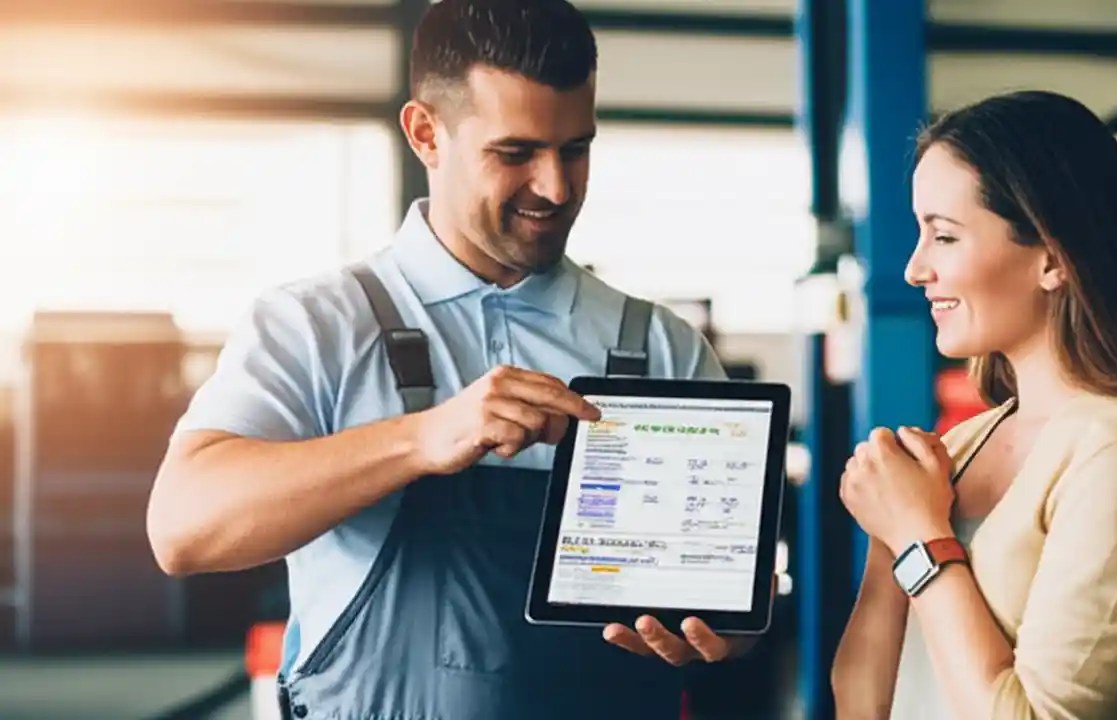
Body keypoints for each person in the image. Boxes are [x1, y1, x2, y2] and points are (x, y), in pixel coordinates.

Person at [145, 1, 752, 718]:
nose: (556, 188)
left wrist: (724, 631)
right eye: (516, 153)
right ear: (426, 134)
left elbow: (735, 607)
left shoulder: (660, 348)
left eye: (576, 148)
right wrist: (423, 438)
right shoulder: (314, 327)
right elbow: (183, 529)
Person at [830, 90, 1117, 719]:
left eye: (945, 236)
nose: (914, 268)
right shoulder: (960, 446)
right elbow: (864, 698)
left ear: (1051, 256)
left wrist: (916, 535)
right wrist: (891, 530)